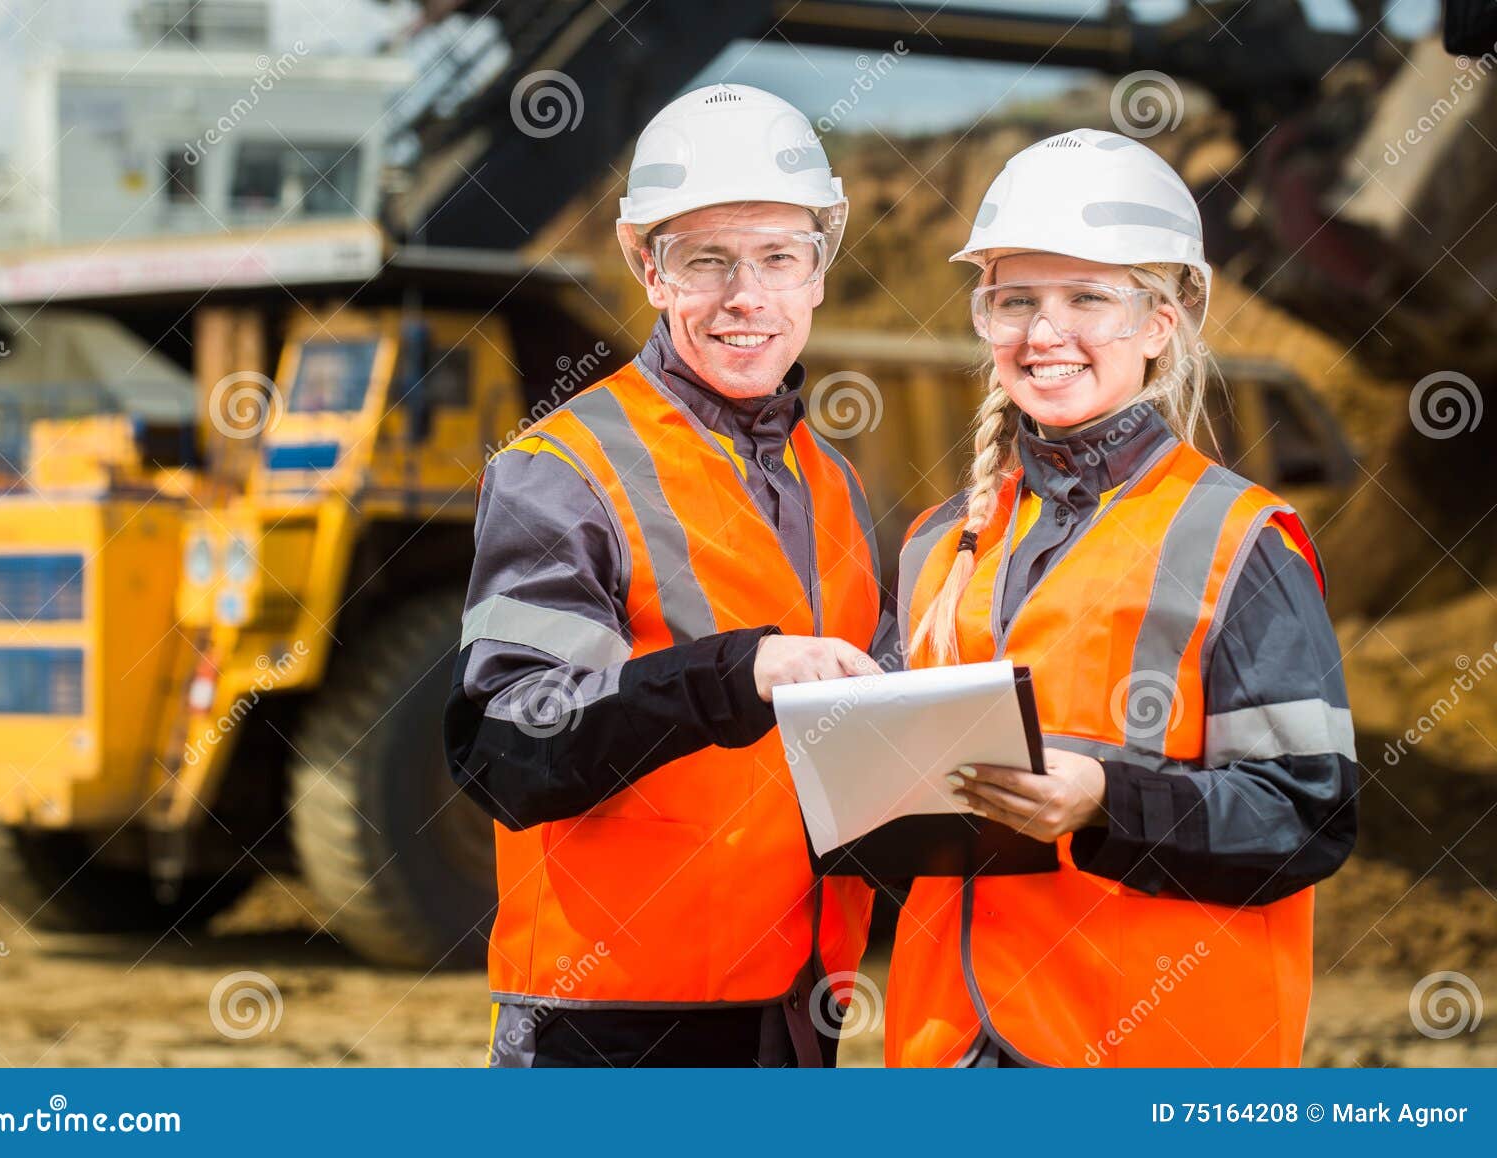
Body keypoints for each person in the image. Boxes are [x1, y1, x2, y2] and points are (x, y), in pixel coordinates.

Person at [883, 128, 1359, 1068]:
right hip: (948, 1044)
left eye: (1088, 299)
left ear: (1159, 325)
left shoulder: (1237, 541)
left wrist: (1106, 800)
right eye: (1015, 300)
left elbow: (1305, 818)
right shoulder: (938, 543)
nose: (1044, 333)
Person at [445, 84, 888, 1068]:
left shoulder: (834, 486)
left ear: (820, 270)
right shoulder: (565, 471)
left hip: (798, 1012)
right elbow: (510, 748)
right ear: (646, 264)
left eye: (778, 258)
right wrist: (737, 677)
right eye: (707, 261)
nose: (746, 297)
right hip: (610, 1029)